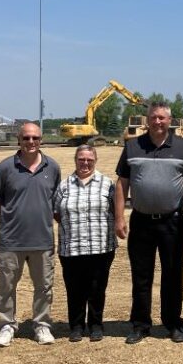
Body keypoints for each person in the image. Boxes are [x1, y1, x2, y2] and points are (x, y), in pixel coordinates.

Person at [114, 101, 183, 344]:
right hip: (141, 221)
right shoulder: (132, 146)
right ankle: (140, 324)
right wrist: (119, 217)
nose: (158, 122)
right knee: (141, 275)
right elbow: (122, 184)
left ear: (170, 121)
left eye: (162, 118)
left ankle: (172, 323)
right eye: (154, 118)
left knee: (172, 274)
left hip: (172, 222)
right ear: (147, 120)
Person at [0, 123, 61, 347]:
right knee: (7, 286)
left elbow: (56, 202)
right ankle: (6, 326)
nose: (31, 142)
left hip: (43, 240)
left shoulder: (53, 168)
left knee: (44, 286)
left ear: (41, 140)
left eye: (35, 138)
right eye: (26, 138)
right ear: (19, 140)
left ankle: (42, 325)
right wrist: (10, 221)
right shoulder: (4, 168)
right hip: (11, 241)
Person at [53, 145, 117, 342]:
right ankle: (76, 326)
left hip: (101, 246)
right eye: (81, 159)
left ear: (95, 160)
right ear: (75, 160)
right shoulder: (64, 185)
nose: (85, 163)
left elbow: (115, 211)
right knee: (74, 289)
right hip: (71, 247)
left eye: (89, 159)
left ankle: (96, 324)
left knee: (97, 288)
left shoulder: (107, 184)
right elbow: (56, 213)